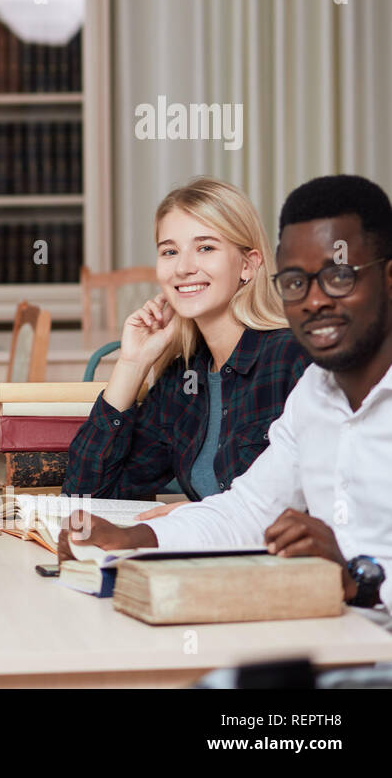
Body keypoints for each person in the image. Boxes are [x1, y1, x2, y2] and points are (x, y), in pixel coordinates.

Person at [64, 175, 392, 614]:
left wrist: (356, 580)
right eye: (295, 282)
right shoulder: (314, 391)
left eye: (338, 276)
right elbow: (247, 509)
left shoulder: (296, 363)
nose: (314, 301)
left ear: (249, 266)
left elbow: (328, 550)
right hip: (312, 619)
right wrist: (132, 539)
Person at [63, 178, 308, 504]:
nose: (183, 267)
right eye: (170, 251)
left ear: (248, 265)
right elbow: (86, 498)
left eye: (205, 247)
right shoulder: (184, 379)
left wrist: (197, 518)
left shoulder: (293, 358)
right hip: (205, 554)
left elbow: (322, 505)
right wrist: (131, 365)